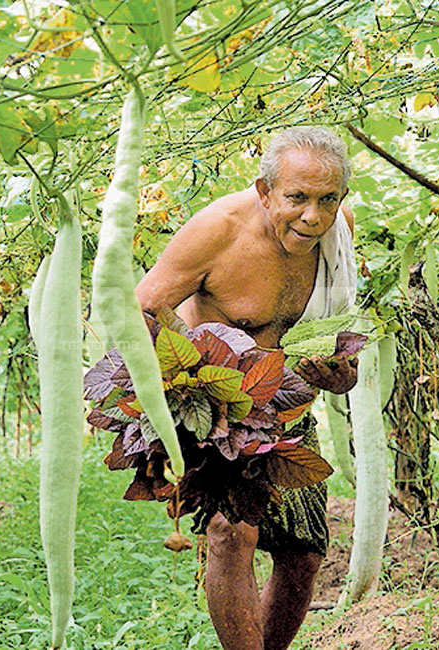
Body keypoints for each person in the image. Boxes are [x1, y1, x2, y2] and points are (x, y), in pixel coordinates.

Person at [135, 127, 359, 650]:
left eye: (328, 200)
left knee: (303, 554)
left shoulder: (340, 232)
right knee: (231, 534)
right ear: (264, 191)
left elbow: (337, 337)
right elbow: (138, 310)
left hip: (287, 410)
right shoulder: (218, 230)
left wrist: (341, 376)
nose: (313, 217)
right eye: (297, 198)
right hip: (217, 408)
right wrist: (173, 393)